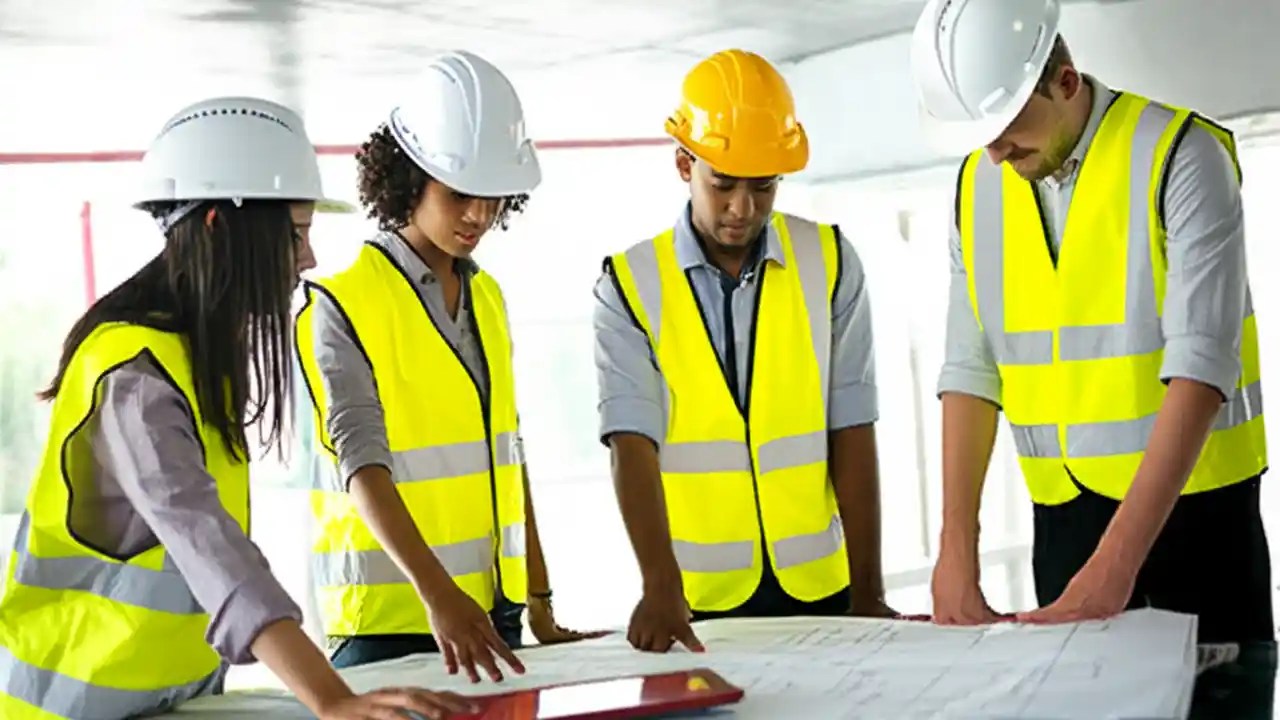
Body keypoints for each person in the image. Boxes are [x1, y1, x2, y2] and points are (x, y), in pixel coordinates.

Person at [0, 97, 475, 720]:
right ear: (221, 226)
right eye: (296, 234)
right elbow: (212, 549)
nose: (308, 259)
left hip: (160, 702)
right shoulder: (133, 377)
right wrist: (330, 697)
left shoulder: (190, 359)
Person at [912, 0, 1271, 643]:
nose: (994, 154)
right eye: (980, 135)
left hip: (1198, 520)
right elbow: (970, 368)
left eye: (1007, 126)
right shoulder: (976, 186)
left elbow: (1202, 365)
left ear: (1066, 81)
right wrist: (955, 547)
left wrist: (1116, 563)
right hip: (1063, 525)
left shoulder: (1181, 156)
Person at [295, 50, 597, 678]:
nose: (478, 216)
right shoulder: (341, 303)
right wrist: (440, 597)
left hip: (492, 613)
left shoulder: (487, 297)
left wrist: (538, 604)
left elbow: (509, 458)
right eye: (459, 194)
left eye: (491, 197)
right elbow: (362, 466)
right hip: (391, 626)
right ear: (409, 178)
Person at [592, 48, 895, 654]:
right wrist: (659, 584)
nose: (743, 208)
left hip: (823, 591)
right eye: (722, 185)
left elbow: (852, 426)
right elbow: (631, 443)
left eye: (763, 187)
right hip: (699, 605)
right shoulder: (627, 285)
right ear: (684, 163)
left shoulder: (831, 261)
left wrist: (868, 590)